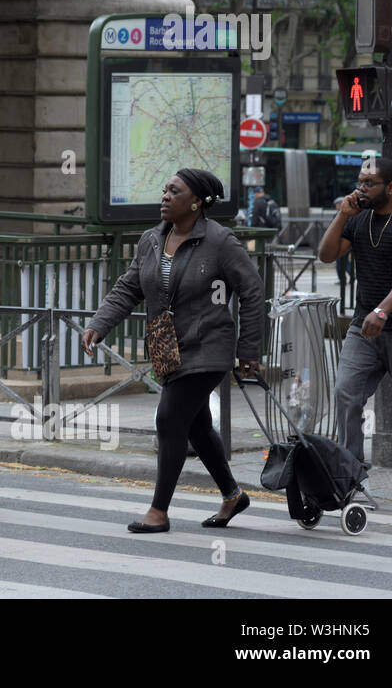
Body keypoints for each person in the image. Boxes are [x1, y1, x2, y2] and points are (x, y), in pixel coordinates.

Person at [81, 168, 264, 533]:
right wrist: (99, 323)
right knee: (195, 426)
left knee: (168, 418)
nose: (165, 196)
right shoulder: (151, 240)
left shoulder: (220, 241)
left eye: (174, 191)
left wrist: (249, 349)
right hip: (169, 348)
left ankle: (159, 511)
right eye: (164, 189)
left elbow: (253, 291)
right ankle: (232, 495)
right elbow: (128, 288)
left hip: (209, 345)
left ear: (196, 202)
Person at [317, 156, 392, 502]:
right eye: (360, 181)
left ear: (391, 187)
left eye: (370, 183)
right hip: (363, 327)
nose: (362, 188)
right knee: (346, 393)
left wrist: (383, 311)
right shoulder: (357, 219)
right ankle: (351, 473)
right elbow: (326, 255)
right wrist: (343, 214)